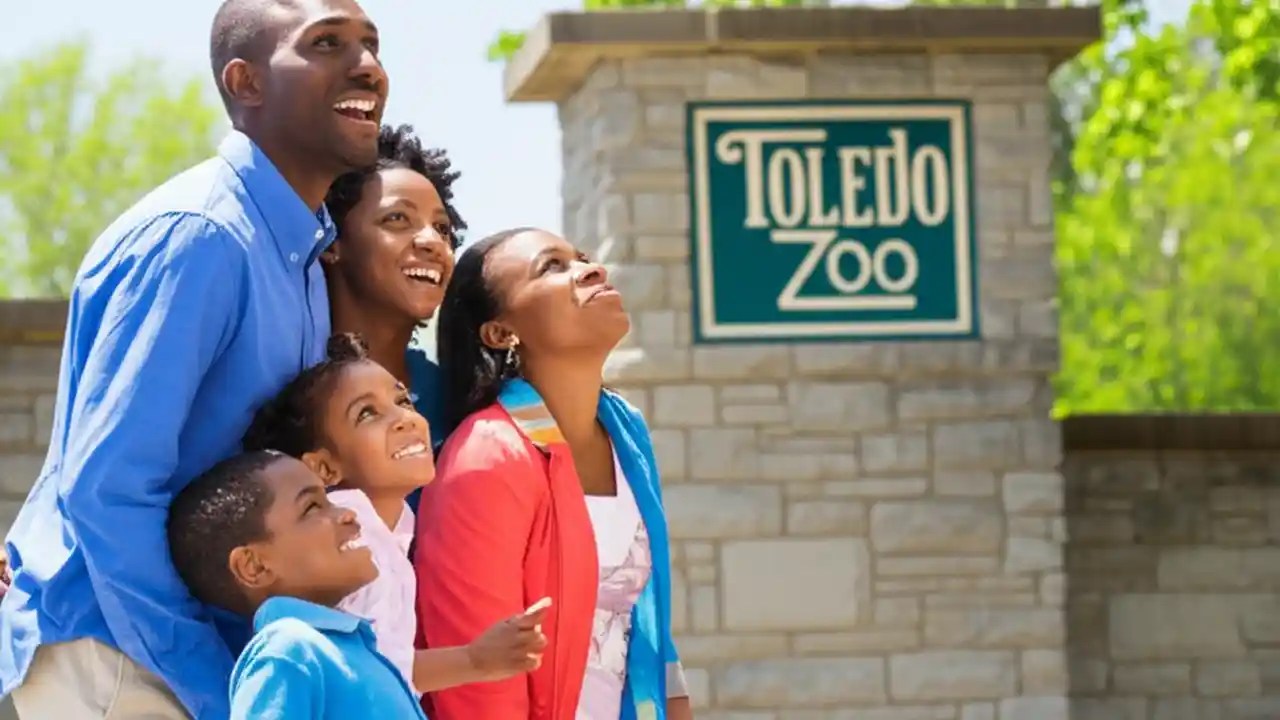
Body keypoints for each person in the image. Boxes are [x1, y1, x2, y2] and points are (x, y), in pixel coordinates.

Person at [0, 0, 388, 716]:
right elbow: (108, 489)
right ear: (246, 82)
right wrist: (215, 688)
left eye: (371, 44)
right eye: (327, 43)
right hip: (121, 656)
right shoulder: (201, 235)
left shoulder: (299, 249)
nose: (367, 66)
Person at [416, 228, 694, 720]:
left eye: (583, 258)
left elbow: (648, 618)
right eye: (552, 266)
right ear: (500, 333)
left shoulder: (625, 429)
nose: (592, 270)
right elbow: (480, 686)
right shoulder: (486, 456)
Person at [240, 332, 548, 696]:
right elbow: (375, 671)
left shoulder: (397, 525)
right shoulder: (351, 540)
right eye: (367, 413)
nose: (405, 418)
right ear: (324, 468)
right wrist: (474, 660)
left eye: (403, 400)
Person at [166, 450, 552, 719]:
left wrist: (478, 660)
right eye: (312, 507)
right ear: (254, 565)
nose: (349, 514)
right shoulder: (288, 650)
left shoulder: (354, 648)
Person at [321, 123, 466, 447]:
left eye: (442, 228)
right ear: (331, 240)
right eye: (397, 218)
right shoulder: (287, 384)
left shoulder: (458, 402)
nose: (433, 242)